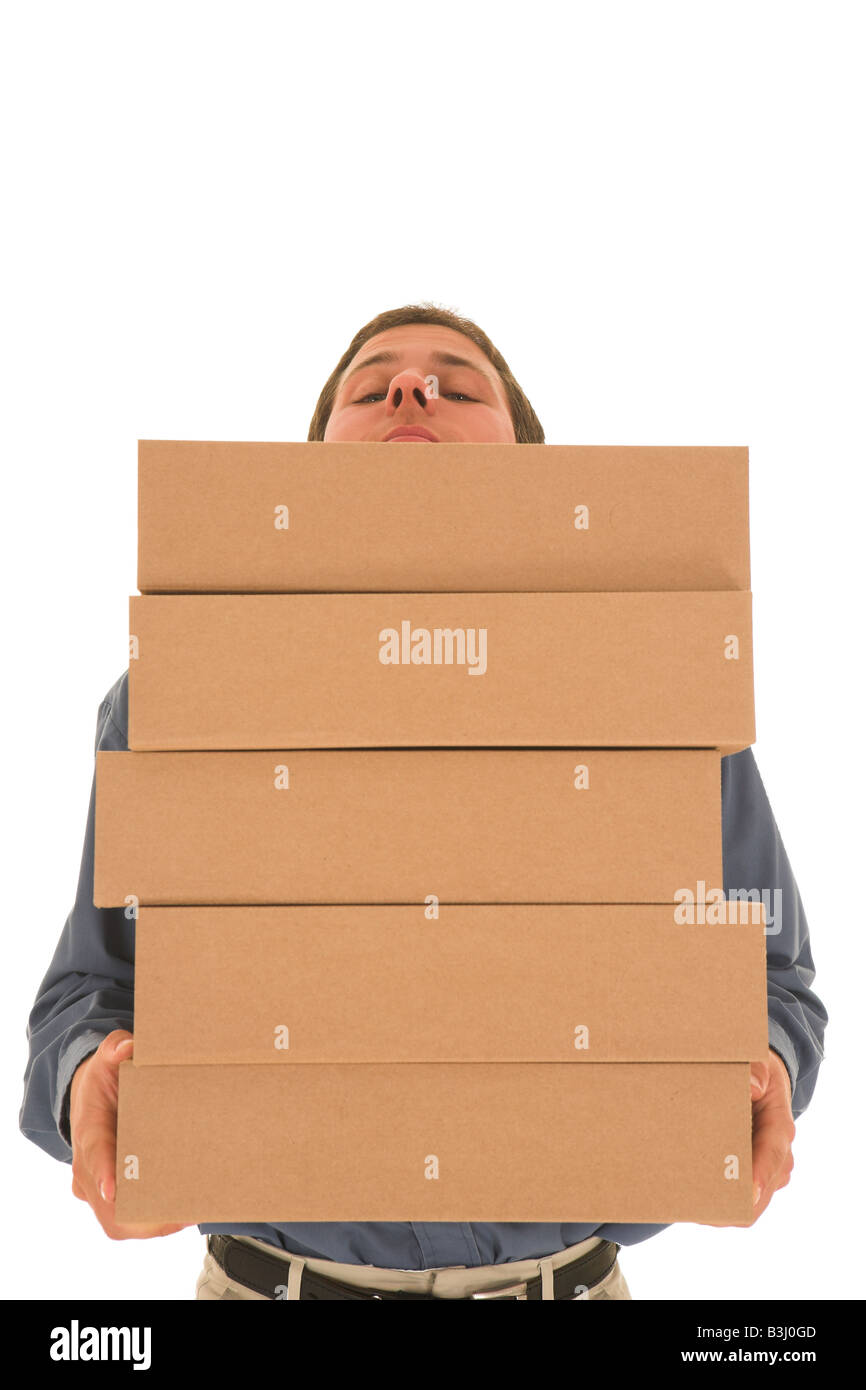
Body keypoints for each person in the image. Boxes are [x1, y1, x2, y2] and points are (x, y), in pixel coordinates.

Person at [20, 303, 828, 1301]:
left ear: (531, 469)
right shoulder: (173, 695)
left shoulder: (657, 689)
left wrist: (767, 1071)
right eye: (371, 386)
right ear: (308, 472)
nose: (410, 389)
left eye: (456, 380)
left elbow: (769, 970)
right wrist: (87, 1078)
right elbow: (84, 993)